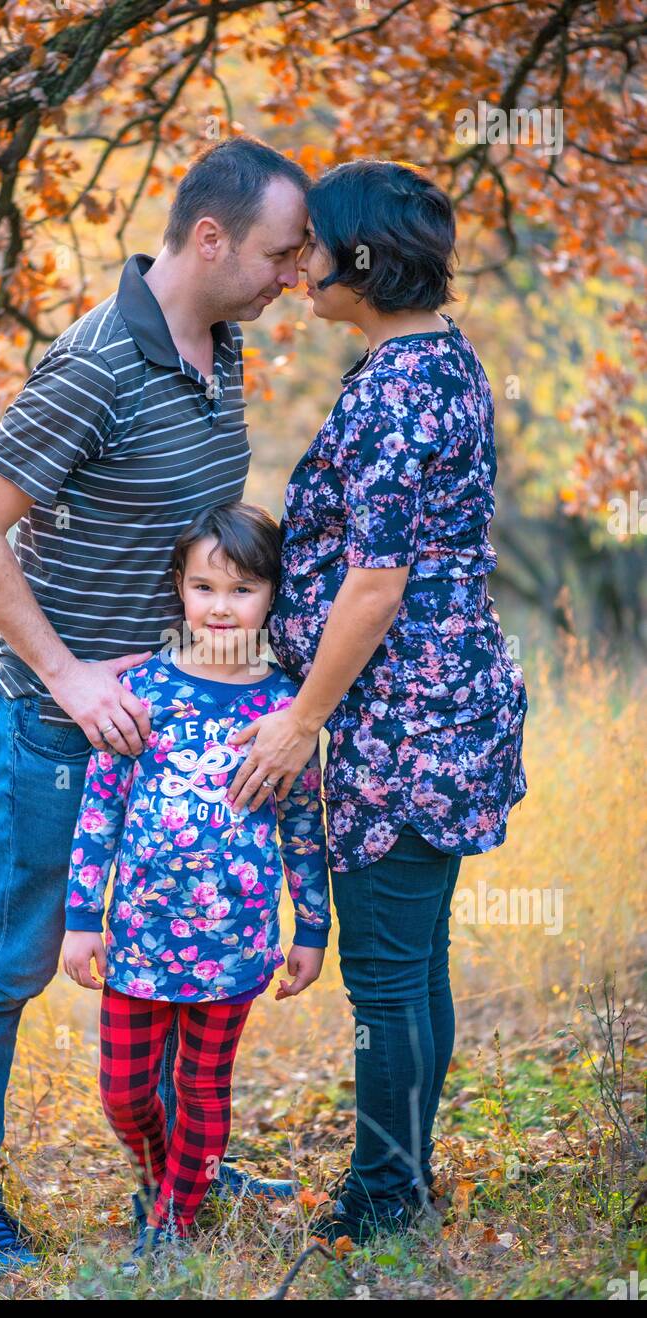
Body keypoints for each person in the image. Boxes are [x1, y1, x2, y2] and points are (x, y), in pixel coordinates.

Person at [0, 137, 310, 1273]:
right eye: (279, 255)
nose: (293, 276)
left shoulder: (220, 345)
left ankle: (179, 1163)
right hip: (64, 727)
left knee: (171, 951)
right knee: (12, 960)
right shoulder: (93, 366)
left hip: (177, 721)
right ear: (209, 239)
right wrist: (64, 673)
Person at [221, 159, 528, 1242]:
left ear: (358, 259)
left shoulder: (401, 388)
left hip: (402, 722)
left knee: (389, 978)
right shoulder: (432, 362)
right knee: (415, 963)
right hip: (434, 709)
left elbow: (376, 580)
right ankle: (403, 1178)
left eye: (311, 248)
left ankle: (385, 1197)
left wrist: (301, 714)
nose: (298, 267)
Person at [62, 502, 331, 1268]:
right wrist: (83, 918)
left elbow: (303, 827)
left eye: (242, 589)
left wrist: (312, 929)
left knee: (204, 1089)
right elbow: (98, 814)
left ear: (273, 594)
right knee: (123, 1091)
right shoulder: (139, 690)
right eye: (204, 586)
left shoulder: (286, 708)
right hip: (139, 937)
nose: (220, 606)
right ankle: (166, 1181)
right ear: (179, 588)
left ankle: (174, 1223)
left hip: (234, 940)